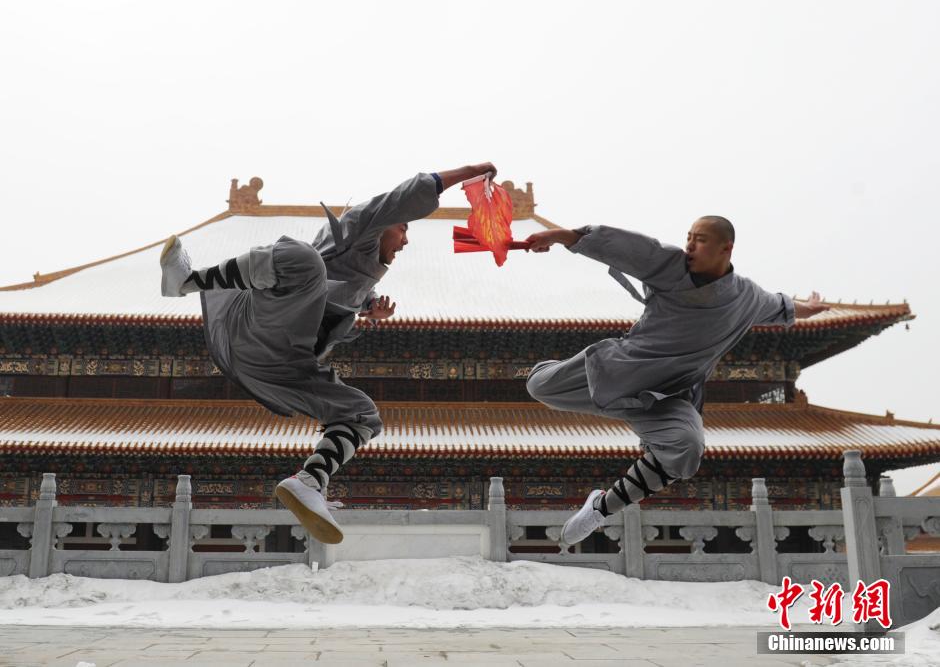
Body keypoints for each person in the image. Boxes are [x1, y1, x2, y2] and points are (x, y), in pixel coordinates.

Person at [159, 163, 498, 543]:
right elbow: (406, 196)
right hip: (256, 331)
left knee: (363, 415)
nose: (405, 241)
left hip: (284, 366)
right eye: (403, 228)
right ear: (386, 223)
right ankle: (186, 281)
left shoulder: (362, 276)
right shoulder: (360, 227)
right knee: (303, 260)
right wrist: (470, 171)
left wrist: (366, 310)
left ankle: (309, 481)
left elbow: (333, 303)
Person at [523, 218, 829, 545]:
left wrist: (806, 309)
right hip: (621, 371)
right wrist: (559, 236)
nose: (690, 246)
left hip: (670, 397)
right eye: (689, 238)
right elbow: (627, 247)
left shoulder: (745, 297)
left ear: (726, 248)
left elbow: (779, 306)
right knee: (538, 386)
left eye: (700, 240)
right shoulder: (671, 267)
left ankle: (600, 507)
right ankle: (559, 367)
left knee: (687, 450)